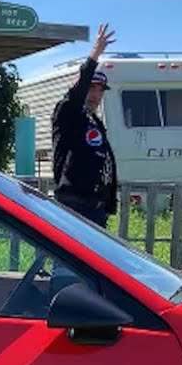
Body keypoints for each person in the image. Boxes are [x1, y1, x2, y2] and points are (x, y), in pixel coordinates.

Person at [51, 23, 118, 228]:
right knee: (67, 259)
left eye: (100, 91)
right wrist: (95, 54)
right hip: (74, 206)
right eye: (91, 89)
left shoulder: (94, 121)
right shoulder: (67, 113)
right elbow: (76, 93)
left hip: (95, 208)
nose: (96, 95)